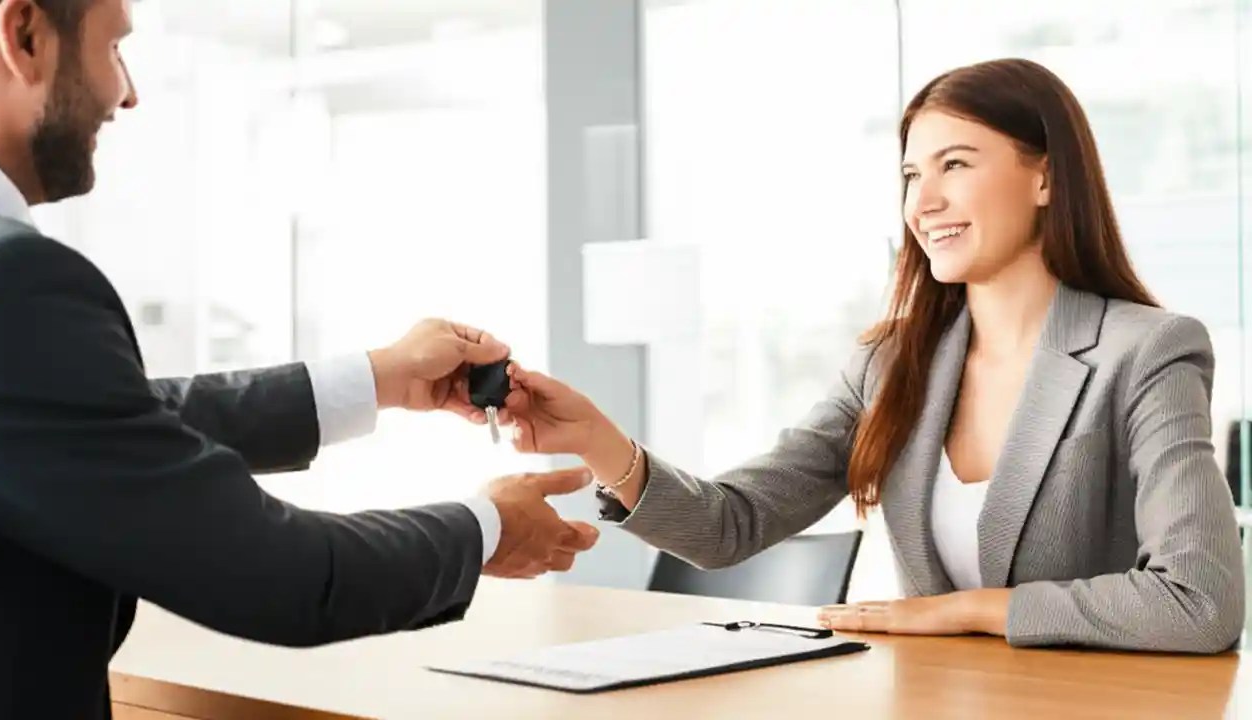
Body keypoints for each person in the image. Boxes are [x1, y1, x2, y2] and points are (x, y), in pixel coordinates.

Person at [0, 1, 598, 717]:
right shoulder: (7, 278)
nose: (128, 92)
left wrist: (378, 378)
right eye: (115, 49)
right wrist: (486, 528)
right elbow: (276, 572)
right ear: (25, 36)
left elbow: (94, 426)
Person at [503, 57, 1245, 654]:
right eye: (912, 176)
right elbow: (731, 525)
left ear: (1046, 177)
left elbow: (1201, 601)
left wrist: (972, 610)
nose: (923, 202)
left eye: (956, 164)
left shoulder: (1145, 351)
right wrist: (596, 440)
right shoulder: (890, 363)